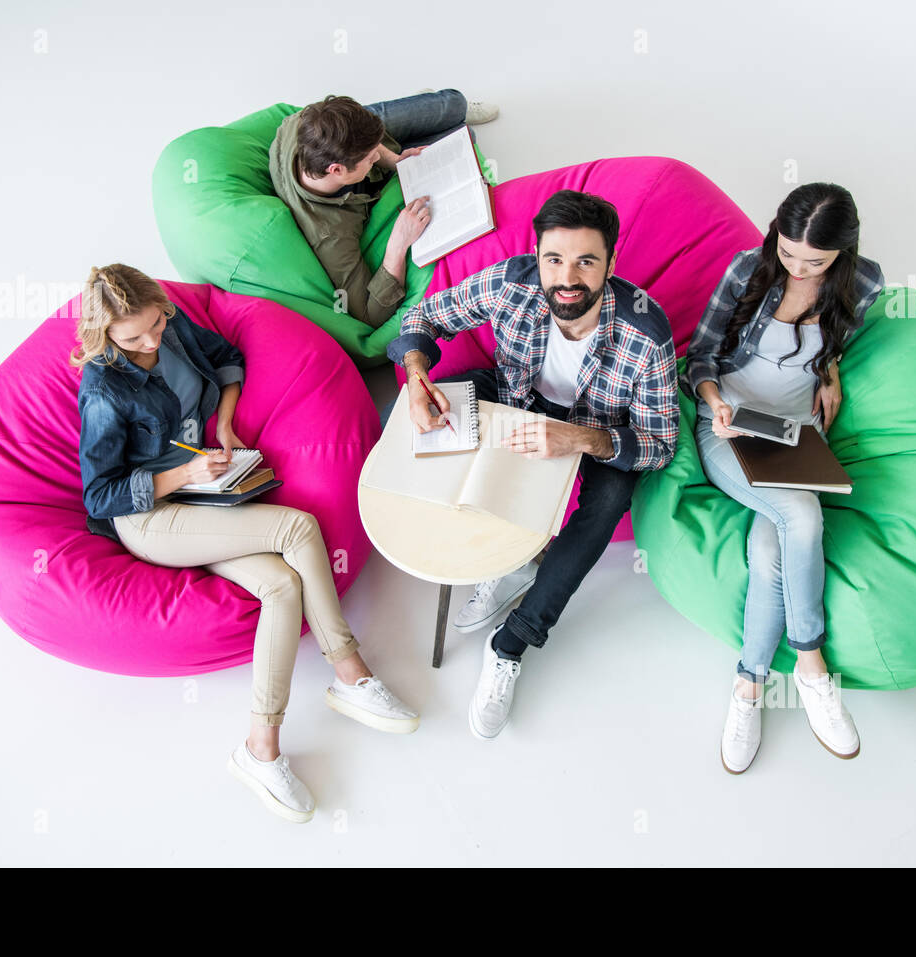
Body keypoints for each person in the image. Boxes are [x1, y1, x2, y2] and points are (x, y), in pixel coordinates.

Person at [74, 264, 419, 823]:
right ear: (105, 333)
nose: (150, 341)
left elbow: (227, 359)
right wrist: (181, 478)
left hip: (204, 480)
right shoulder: (103, 390)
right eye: (132, 337)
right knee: (298, 527)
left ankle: (260, 750)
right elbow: (101, 495)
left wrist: (226, 428)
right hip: (152, 514)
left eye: (155, 326)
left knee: (282, 586)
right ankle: (352, 672)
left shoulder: (172, 324)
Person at [386, 190, 679, 740]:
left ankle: (513, 641)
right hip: (517, 398)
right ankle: (501, 557)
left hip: (598, 425)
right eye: (554, 259)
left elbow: (659, 444)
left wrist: (577, 438)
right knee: (427, 404)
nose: (567, 278)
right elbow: (422, 316)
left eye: (586, 262)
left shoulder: (647, 332)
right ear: (537, 256)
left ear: (611, 265)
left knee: (611, 499)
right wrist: (418, 374)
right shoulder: (511, 282)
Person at [681, 183, 885, 774]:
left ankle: (748, 685)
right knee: (800, 514)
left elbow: (837, 338)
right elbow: (701, 355)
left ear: (842, 255)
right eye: (788, 253)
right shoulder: (749, 270)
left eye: (813, 262)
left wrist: (830, 369)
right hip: (730, 424)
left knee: (773, 541)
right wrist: (714, 401)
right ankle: (811, 665)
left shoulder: (864, 283)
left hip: (793, 431)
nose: (796, 269)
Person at [268, 89, 499, 328]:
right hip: (352, 157)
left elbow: (367, 146)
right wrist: (397, 244)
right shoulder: (328, 233)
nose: (375, 157)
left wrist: (393, 159)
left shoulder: (310, 123)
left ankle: (418, 118)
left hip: (355, 140)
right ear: (336, 170)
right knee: (465, 136)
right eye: (370, 158)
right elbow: (370, 313)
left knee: (454, 103)